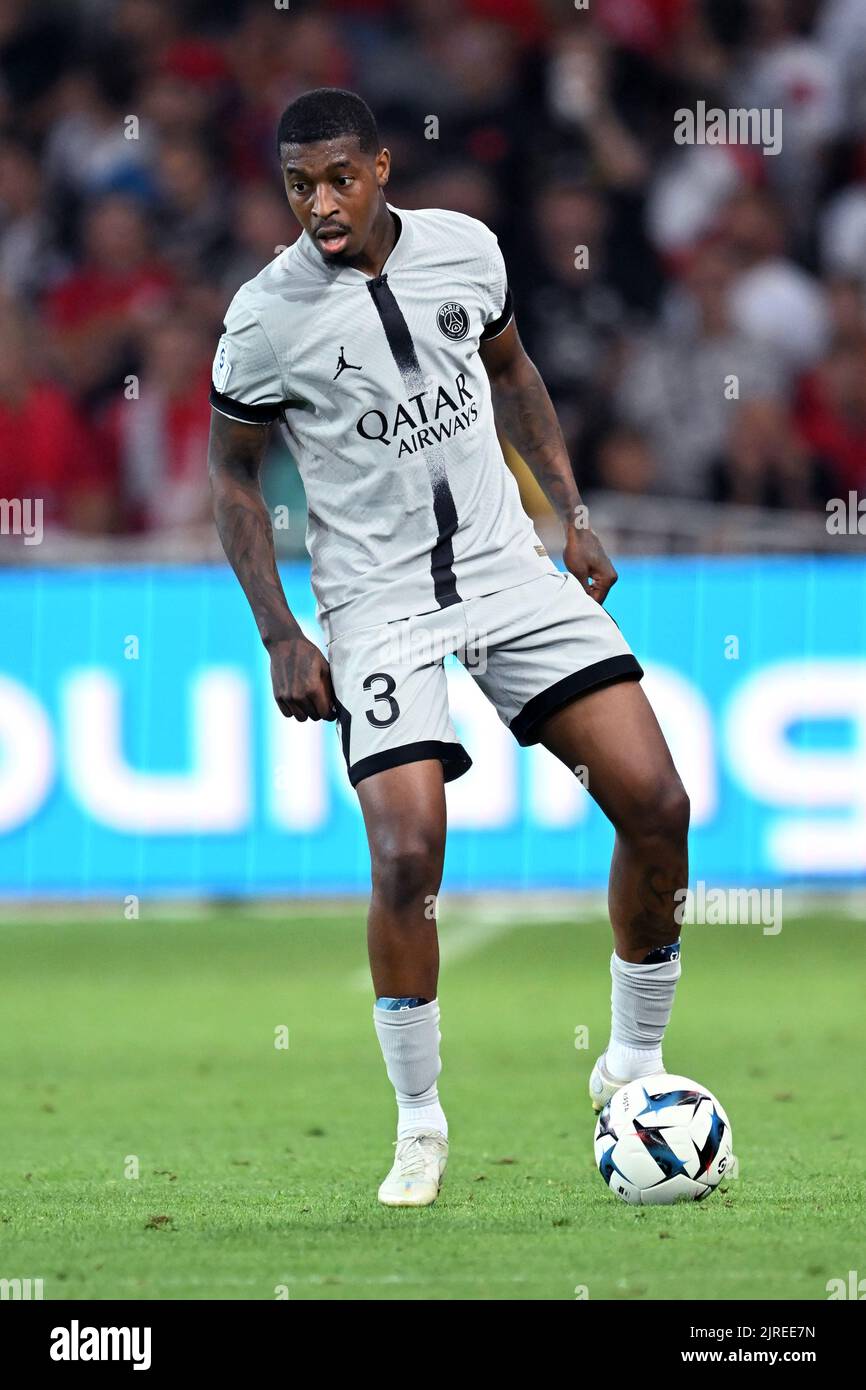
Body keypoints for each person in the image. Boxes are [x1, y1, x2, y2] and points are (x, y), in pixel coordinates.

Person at [208, 88, 689, 1208]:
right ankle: (418, 1125)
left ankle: (632, 1060)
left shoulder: (466, 250)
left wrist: (570, 514)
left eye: (338, 178)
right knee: (405, 859)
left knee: (655, 804)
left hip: (505, 571)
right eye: (297, 185)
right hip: (374, 603)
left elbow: (514, 374)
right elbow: (231, 478)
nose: (319, 205)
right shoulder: (263, 317)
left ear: (379, 168)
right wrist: (281, 632)